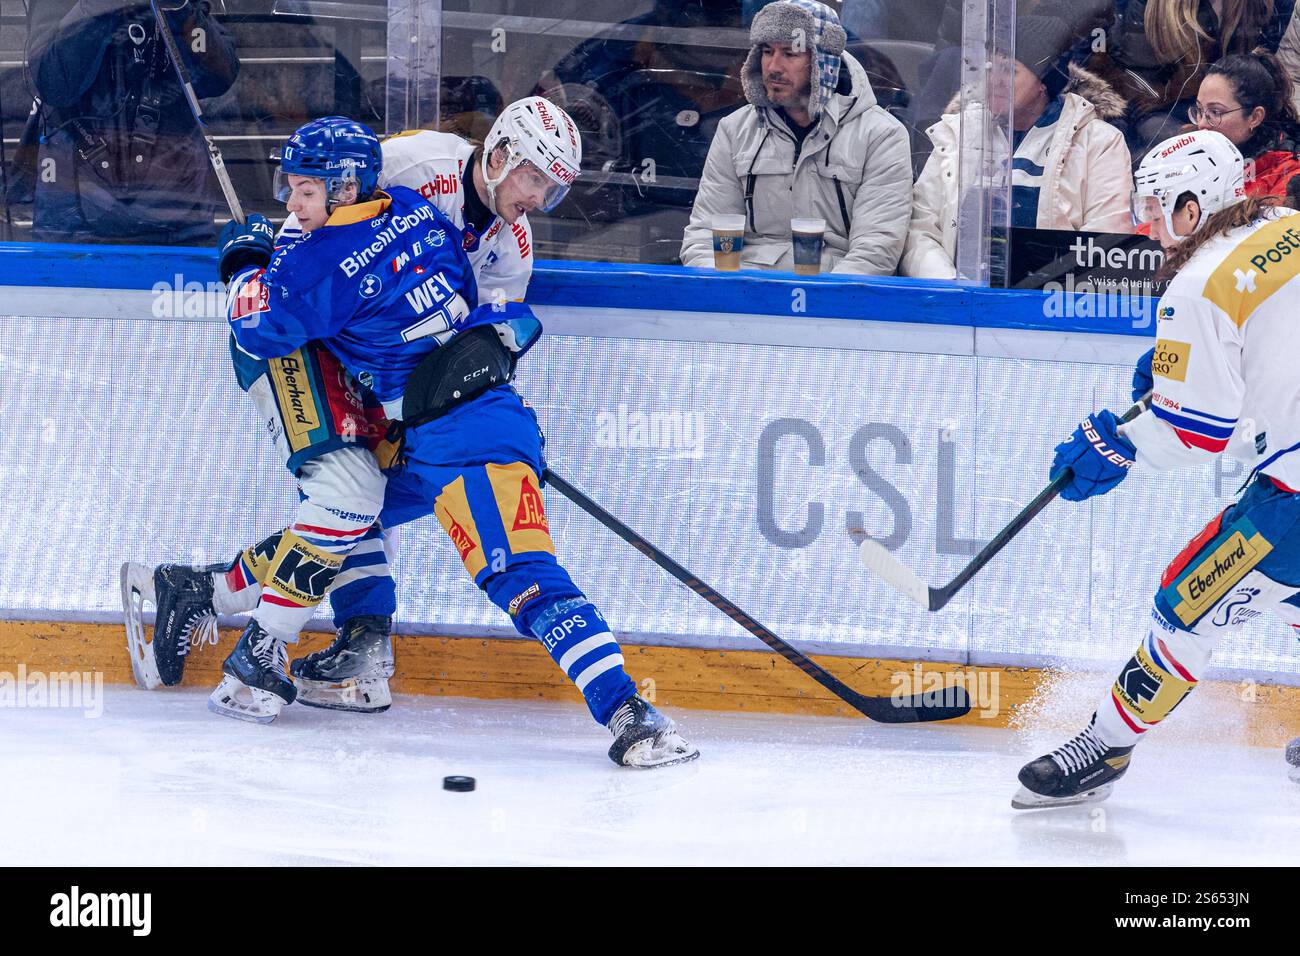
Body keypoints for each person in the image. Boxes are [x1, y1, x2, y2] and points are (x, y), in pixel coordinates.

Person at [205, 116, 697, 768]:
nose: (293, 205)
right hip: (476, 425)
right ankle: (322, 645)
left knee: (518, 576)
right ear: (498, 153)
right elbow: (487, 322)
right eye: (533, 178)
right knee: (356, 512)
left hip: (457, 437)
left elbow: (262, 328)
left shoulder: (334, 262)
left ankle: (629, 711)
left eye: (302, 191)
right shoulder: (417, 206)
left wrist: (246, 265)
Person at [121, 98, 577, 714]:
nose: (538, 200)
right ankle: (268, 644)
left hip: (380, 366)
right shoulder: (416, 165)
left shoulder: (511, 245)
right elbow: (314, 223)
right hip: (301, 339)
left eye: (553, 190)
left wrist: (439, 416)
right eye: (535, 179)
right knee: (350, 495)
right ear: (500, 155)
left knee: (361, 500)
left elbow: (472, 338)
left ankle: (211, 593)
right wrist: (260, 272)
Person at [1013, 129, 1300, 808]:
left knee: (1185, 606)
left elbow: (1195, 434)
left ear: (1196, 205)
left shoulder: (1198, 288)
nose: (1145, 224)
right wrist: (1193, 369)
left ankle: (1103, 747)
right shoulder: (1286, 225)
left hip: (1295, 495)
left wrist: (1115, 441)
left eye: (1158, 204)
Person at [679, 0, 912, 275]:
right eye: (767, 51)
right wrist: (733, 296)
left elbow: (875, 252)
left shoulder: (882, 135)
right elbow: (704, 238)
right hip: (747, 296)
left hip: (834, 303)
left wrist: (815, 307)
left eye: (790, 53)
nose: (773, 66)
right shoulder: (734, 129)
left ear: (823, 64)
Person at [901, 15, 1134, 281]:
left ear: (1045, 81)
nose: (995, 80)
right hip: (957, 305)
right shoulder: (958, 133)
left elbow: (1106, 240)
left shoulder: (1099, 142)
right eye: (990, 68)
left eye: (1010, 70)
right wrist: (953, 287)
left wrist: (1040, 291)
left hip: (1049, 306)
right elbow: (921, 230)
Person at [26, 0, 239, 244]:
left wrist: (181, 11)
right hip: (77, 206)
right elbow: (54, 84)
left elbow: (218, 78)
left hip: (174, 206)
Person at [1191, 52, 1300, 198]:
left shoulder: (1290, 175)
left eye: (1215, 112)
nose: (1202, 123)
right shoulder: (1185, 153)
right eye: (1199, 110)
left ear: (1255, 117)